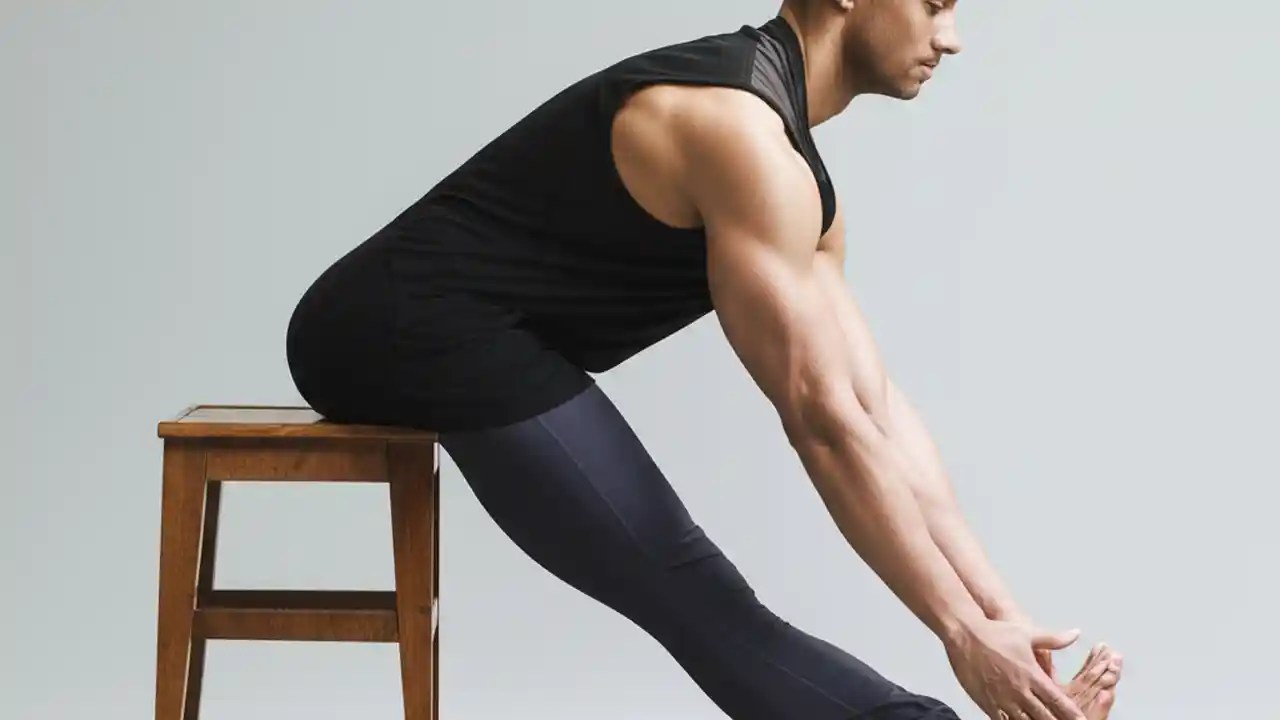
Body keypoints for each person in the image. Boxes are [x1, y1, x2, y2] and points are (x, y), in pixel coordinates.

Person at [285, 1, 1125, 718]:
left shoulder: (800, 181)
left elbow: (875, 413)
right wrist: (958, 633)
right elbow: (820, 419)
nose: (953, 37)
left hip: (493, 333)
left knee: (698, 591)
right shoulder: (736, 134)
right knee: (691, 591)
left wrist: (1003, 626)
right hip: (392, 324)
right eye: (937, 2)